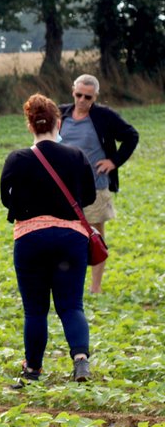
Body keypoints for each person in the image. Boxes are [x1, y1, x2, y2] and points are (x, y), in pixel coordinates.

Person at [0, 94, 96, 385]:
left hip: (31, 240)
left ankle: (32, 370)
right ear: (58, 122)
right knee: (71, 306)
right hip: (71, 240)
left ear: (30, 126)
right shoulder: (76, 156)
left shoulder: (17, 159)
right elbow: (89, 197)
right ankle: (80, 362)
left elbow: (6, 199)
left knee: (35, 309)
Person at [58, 74, 139, 295]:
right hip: (64, 189)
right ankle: (67, 283)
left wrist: (113, 162)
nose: (82, 100)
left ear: (95, 97)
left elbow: (132, 136)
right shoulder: (61, 114)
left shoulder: (104, 116)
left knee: (95, 236)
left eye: (88, 97)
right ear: (72, 90)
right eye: (78, 95)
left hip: (95, 187)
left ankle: (95, 287)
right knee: (64, 235)